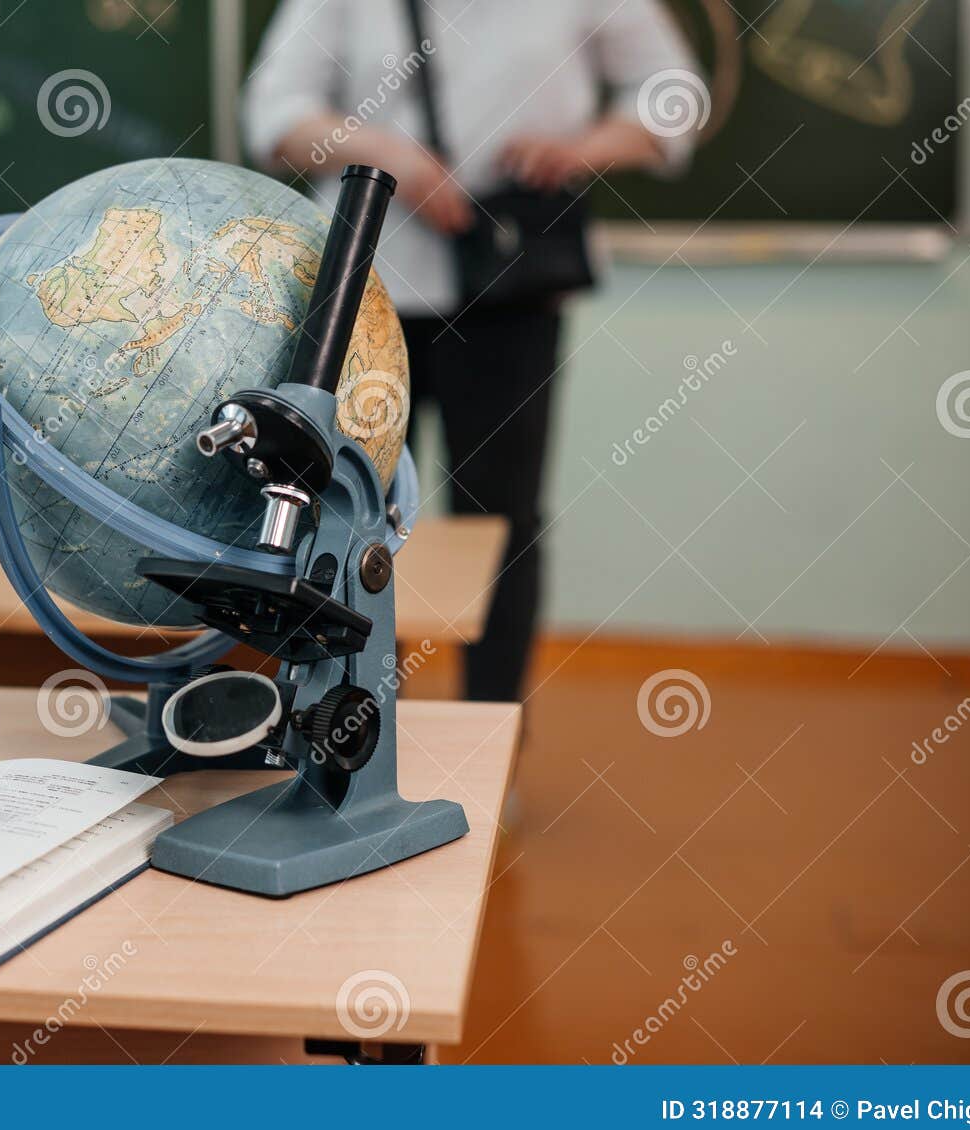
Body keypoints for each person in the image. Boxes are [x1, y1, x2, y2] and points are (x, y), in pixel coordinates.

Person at [244, 0, 699, 701]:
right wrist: (389, 157)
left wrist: (586, 149)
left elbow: (677, 92)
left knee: (501, 525)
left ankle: (493, 730)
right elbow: (272, 112)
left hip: (510, 293)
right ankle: (346, 725)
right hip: (364, 298)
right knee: (345, 516)